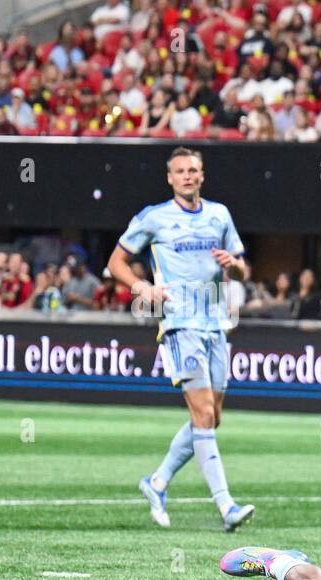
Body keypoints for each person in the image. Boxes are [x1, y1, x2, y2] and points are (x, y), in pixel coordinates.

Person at [108, 147, 255, 532]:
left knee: (211, 417)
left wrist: (234, 266)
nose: (188, 176)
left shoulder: (219, 214)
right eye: (180, 171)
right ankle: (226, 506)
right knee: (204, 414)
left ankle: (156, 483)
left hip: (217, 325)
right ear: (170, 178)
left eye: (194, 170)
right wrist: (143, 287)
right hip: (180, 324)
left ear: (202, 176)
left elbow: (242, 271)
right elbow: (115, 262)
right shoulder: (154, 217)